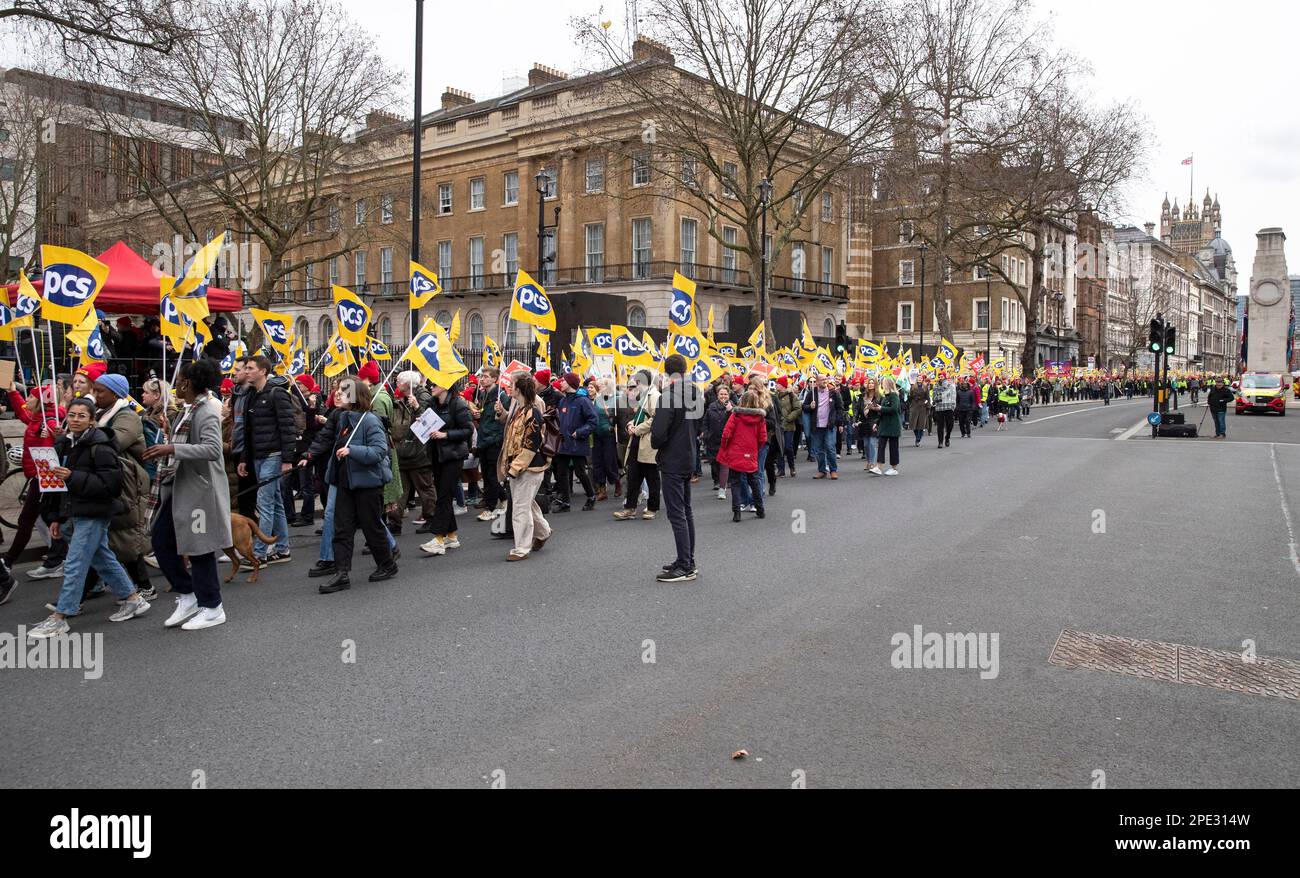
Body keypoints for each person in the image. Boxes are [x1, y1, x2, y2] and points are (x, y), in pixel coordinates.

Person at [26, 398, 151, 639]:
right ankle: (134, 599)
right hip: (75, 512)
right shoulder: (63, 443)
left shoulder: (101, 446)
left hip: (95, 512)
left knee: (75, 563)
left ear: (92, 419)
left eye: (82, 416)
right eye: (72, 415)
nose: (75, 419)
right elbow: (55, 486)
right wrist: (55, 517)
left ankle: (61, 616)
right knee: (102, 557)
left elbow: (110, 486)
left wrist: (73, 476)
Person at [142, 357, 232, 629]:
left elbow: (212, 449)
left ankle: (212, 606)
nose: (176, 385)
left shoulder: (205, 412)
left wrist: (172, 449)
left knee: (200, 549)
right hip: (181, 489)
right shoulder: (190, 408)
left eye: (180, 382)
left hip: (200, 494)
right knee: (161, 541)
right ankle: (188, 594)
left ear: (189, 384)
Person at [311, 378, 397, 592]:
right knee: (342, 529)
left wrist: (353, 451)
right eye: (338, 390)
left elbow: (379, 451)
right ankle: (341, 573)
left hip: (367, 483)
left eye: (343, 391)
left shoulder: (370, 421)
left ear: (355, 396)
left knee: (371, 526)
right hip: (345, 482)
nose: (337, 394)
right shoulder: (343, 419)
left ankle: (387, 564)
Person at [91, 373, 154, 599]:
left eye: (100, 391)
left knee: (126, 536)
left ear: (115, 393)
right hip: (107, 480)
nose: (94, 395)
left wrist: (85, 430)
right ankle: (89, 585)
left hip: (128, 483)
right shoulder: (100, 415)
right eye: (94, 390)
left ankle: (144, 585)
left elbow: (114, 442)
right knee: (103, 537)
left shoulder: (127, 417)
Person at [238, 355, 296, 564]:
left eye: (250, 368)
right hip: (257, 455)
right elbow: (248, 430)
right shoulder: (251, 395)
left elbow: (288, 427)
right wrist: (245, 457)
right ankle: (282, 548)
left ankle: (260, 553)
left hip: (273, 455)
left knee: (264, 504)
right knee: (276, 502)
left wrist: (288, 459)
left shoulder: (276, 393)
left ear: (262, 371)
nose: (246, 371)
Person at [2, 383, 64, 578]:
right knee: (46, 518)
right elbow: (22, 412)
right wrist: (12, 391)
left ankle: (9, 561)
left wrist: (55, 435)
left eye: (30, 396)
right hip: (38, 477)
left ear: (40, 402)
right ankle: (60, 557)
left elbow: (59, 445)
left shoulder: (49, 422)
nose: (27, 399)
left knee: (28, 519)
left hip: (44, 478)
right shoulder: (37, 418)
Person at [652, 356, 700, 582]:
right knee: (685, 511)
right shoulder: (695, 394)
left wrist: (657, 441)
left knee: (677, 513)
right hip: (688, 455)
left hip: (672, 458)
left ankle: (685, 565)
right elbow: (699, 425)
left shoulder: (668, 397)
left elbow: (659, 434)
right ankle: (687, 559)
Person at [499, 373, 552, 560]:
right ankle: (544, 532)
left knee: (520, 508)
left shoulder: (532, 412)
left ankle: (521, 548)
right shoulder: (519, 410)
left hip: (529, 468)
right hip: (518, 466)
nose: (508, 387)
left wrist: (514, 468)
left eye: (511, 384)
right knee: (527, 504)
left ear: (519, 389)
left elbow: (531, 445)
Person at [419, 379, 473, 556]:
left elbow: (468, 430)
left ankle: (438, 538)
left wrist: (445, 434)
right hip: (437, 455)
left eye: (434, 384)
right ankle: (451, 535)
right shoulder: (432, 404)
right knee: (444, 494)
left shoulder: (458, 404)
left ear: (445, 385)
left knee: (443, 495)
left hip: (453, 455)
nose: (431, 387)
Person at [391, 370, 437, 529]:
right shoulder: (402, 398)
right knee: (400, 489)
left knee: (424, 488)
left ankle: (430, 518)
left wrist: (417, 407)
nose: (396, 383)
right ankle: (395, 522)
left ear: (406, 384)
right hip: (404, 449)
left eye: (398, 381)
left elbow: (427, 422)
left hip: (418, 451)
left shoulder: (423, 397)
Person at [614, 370, 660, 520]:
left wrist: (637, 429)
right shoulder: (644, 397)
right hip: (636, 440)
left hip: (646, 441)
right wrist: (631, 424)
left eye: (637, 382)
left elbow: (655, 419)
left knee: (652, 477)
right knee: (633, 476)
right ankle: (630, 508)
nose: (636, 385)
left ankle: (653, 507)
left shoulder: (655, 396)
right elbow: (639, 416)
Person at [718, 390, 767, 522]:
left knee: (736, 483)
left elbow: (726, 434)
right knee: (754, 481)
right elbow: (763, 438)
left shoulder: (736, 416)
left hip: (736, 451)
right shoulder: (760, 418)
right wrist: (755, 448)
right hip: (751, 451)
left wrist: (725, 447)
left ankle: (737, 513)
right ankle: (760, 509)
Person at [552, 372, 598, 512]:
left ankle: (591, 496)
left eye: (563, 381)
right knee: (561, 472)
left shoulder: (583, 401)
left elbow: (593, 421)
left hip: (577, 442)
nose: (560, 383)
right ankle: (565, 502)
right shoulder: (562, 401)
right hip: (564, 442)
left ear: (571, 383)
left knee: (580, 472)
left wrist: (580, 432)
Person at [474, 367, 507, 520]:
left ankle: (491, 507)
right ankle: (504, 497)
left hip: (494, 440)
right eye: (481, 376)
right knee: (486, 475)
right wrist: (477, 414)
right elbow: (485, 415)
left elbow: (506, 417)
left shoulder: (501, 395)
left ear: (495, 379)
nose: (482, 379)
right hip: (483, 439)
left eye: (486, 377)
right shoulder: (483, 394)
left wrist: (500, 412)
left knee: (492, 475)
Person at [802, 374, 843, 479]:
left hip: (829, 425)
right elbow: (804, 406)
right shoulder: (812, 393)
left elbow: (840, 408)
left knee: (830, 447)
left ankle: (833, 470)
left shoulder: (834, 393)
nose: (825, 381)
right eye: (822, 379)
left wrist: (839, 423)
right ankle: (822, 470)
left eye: (826, 379)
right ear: (817, 382)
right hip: (816, 426)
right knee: (819, 449)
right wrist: (809, 406)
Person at [702, 384, 732, 498]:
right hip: (712, 439)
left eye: (725, 394)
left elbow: (735, 421)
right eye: (721, 394)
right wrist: (705, 434)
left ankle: (722, 487)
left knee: (724, 464)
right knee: (714, 463)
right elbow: (705, 422)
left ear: (728, 395)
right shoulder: (711, 406)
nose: (723, 396)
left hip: (726, 440)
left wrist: (730, 411)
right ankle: (717, 480)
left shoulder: (732, 406)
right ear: (717, 395)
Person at [871, 377, 902, 476]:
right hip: (884, 425)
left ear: (888, 384)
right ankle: (878, 467)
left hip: (893, 425)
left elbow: (894, 409)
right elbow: (882, 412)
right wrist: (877, 423)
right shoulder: (885, 397)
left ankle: (894, 468)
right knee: (881, 446)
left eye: (883, 383)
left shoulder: (894, 396)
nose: (882, 385)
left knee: (893, 447)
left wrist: (881, 408)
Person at [774, 376, 800, 477]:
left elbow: (798, 408)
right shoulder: (774, 396)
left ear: (783, 385)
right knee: (779, 448)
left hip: (789, 426)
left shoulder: (792, 395)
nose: (776, 385)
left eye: (778, 383)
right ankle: (781, 470)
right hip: (778, 426)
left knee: (788, 447)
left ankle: (792, 467)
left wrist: (789, 418)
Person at [857, 377, 881, 469]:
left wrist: (877, 421)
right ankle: (868, 461)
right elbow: (857, 408)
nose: (870, 384)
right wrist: (856, 419)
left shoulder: (879, 397)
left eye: (872, 383)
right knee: (866, 444)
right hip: (864, 421)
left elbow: (880, 411)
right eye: (869, 383)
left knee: (872, 443)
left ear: (875, 385)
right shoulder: (862, 396)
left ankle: (872, 463)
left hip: (874, 421)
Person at [932, 374, 956, 448]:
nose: (940, 378)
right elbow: (934, 397)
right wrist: (939, 397)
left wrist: (953, 405)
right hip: (939, 407)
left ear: (945, 377)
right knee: (940, 426)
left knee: (950, 425)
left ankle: (947, 437)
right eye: (939, 377)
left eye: (941, 376)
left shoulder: (951, 384)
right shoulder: (935, 385)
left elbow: (953, 395)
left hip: (949, 406)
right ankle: (940, 442)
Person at [908, 380, 930, 447]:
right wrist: (910, 404)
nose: (919, 379)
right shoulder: (912, 387)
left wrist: (927, 405)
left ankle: (918, 439)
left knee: (921, 424)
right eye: (918, 377)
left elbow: (927, 397)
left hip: (922, 406)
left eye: (921, 377)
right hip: (914, 406)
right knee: (914, 424)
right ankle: (917, 437)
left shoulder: (925, 387)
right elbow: (910, 397)